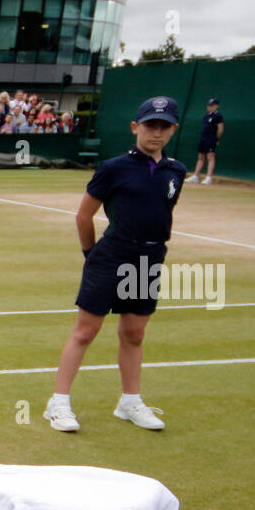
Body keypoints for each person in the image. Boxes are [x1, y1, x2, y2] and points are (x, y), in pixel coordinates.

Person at [44, 96, 186, 433]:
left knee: (134, 334)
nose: (157, 132)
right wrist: (90, 254)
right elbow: (84, 215)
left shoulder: (176, 171)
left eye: (165, 126)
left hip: (149, 258)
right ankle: (58, 403)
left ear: (173, 130)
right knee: (86, 331)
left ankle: (130, 402)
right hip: (111, 256)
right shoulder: (113, 168)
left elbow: (162, 212)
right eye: (151, 125)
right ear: (136, 126)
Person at [187, 97, 224, 185]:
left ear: (217, 106)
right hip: (203, 139)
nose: (210, 107)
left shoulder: (218, 116)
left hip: (211, 139)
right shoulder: (207, 116)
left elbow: (220, 129)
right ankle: (196, 176)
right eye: (209, 105)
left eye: (212, 105)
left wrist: (216, 139)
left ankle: (209, 177)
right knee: (200, 157)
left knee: (210, 157)